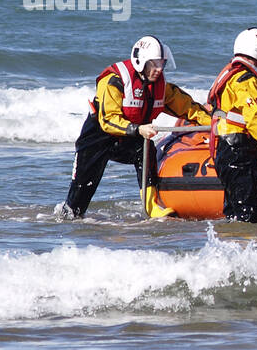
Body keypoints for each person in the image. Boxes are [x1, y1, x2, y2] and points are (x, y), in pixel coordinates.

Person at [63, 35, 212, 218]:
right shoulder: (114, 81)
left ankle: (151, 207)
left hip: (128, 139)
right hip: (97, 139)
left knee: (145, 149)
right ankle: (66, 222)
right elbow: (108, 120)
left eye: (162, 64)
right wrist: (137, 129)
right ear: (141, 62)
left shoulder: (161, 88)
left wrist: (215, 123)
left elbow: (189, 109)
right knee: (76, 205)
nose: (159, 69)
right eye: (154, 64)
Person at [207, 28, 257, 223]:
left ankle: (233, 249)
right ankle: (248, 250)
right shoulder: (246, 80)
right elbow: (255, 119)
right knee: (251, 216)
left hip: (229, 152)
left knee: (236, 215)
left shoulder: (232, 74)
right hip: (239, 155)